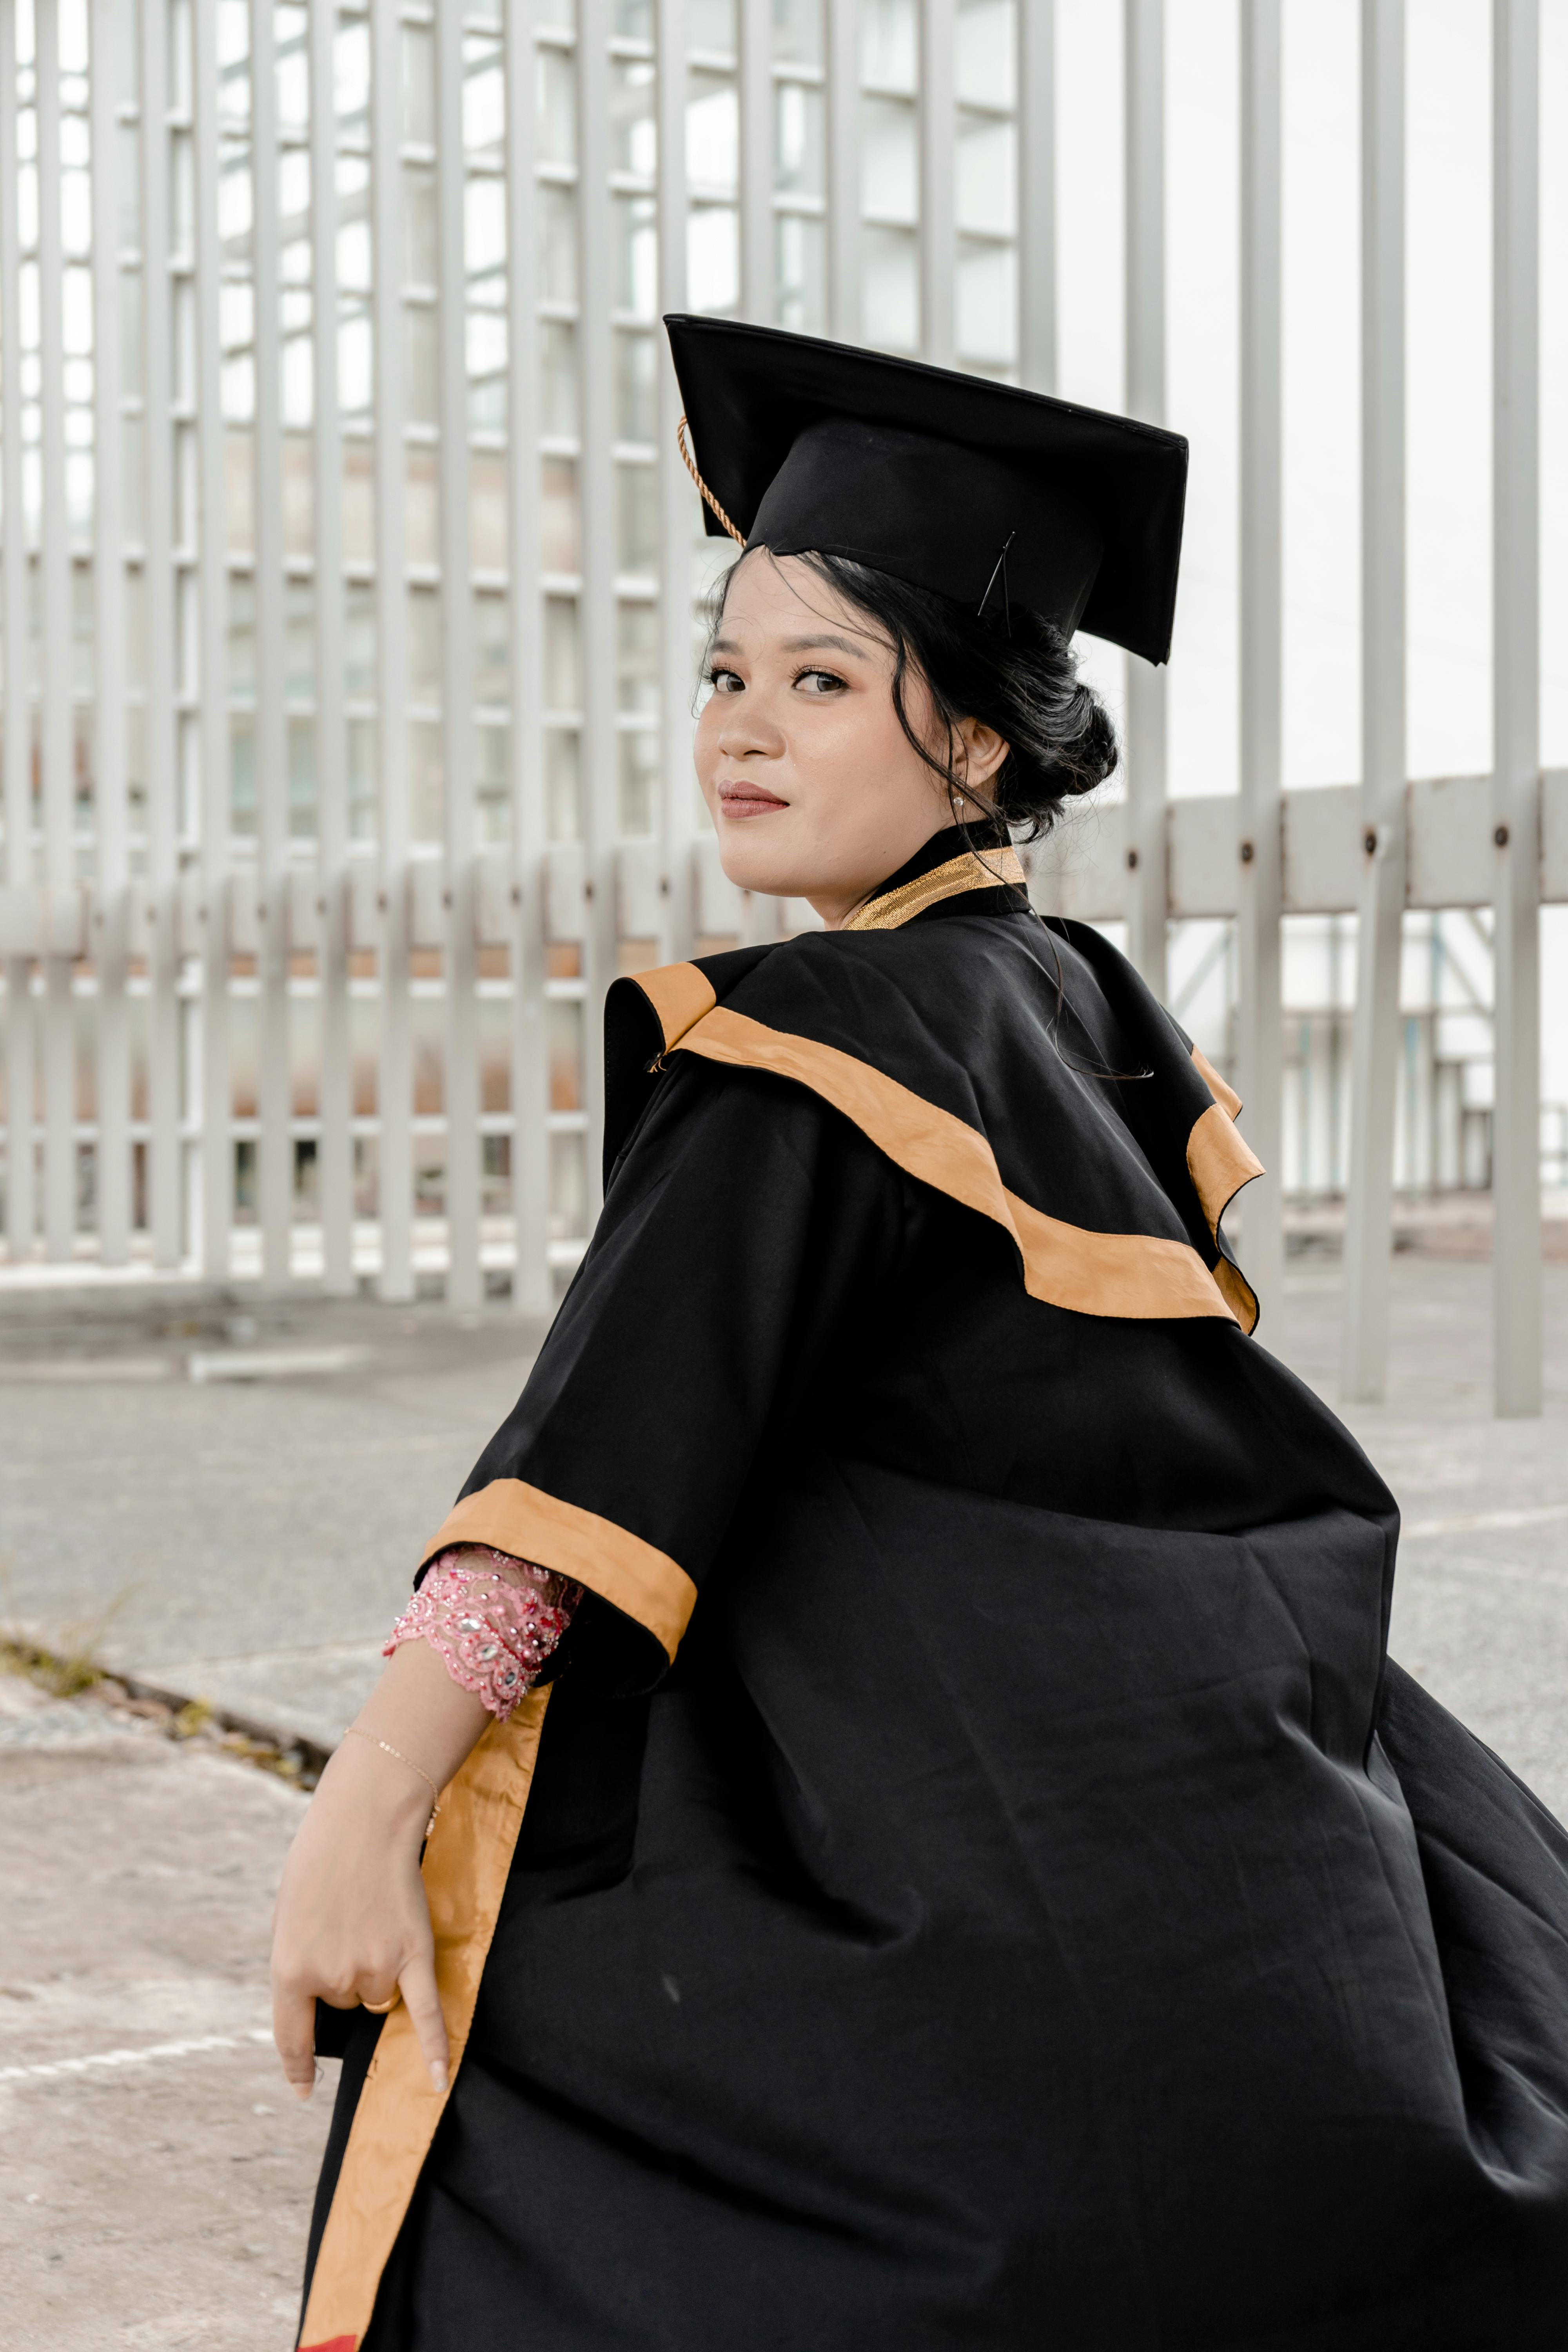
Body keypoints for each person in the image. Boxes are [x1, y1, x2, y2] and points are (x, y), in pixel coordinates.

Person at [275, 318, 1568, 2352]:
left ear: (975, 736)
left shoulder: (810, 1044)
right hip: (1195, 1826)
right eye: (724, 672)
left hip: (906, 1829)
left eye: (818, 682)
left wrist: (360, 1820)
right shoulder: (1080, 1017)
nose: (741, 730)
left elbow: (587, 1493)